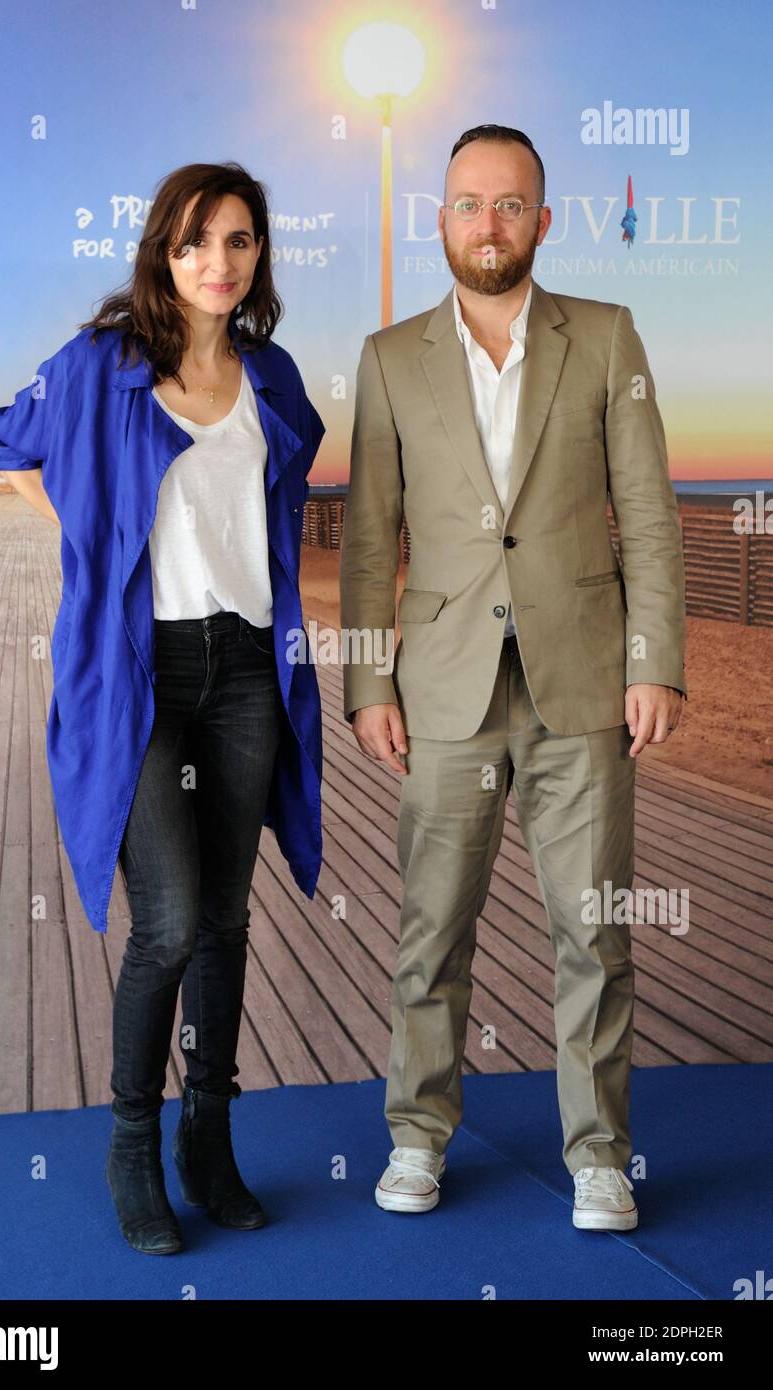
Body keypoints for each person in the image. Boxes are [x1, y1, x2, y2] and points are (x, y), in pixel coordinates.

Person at [339, 125, 688, 1232]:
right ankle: (415, 1134)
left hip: (580, 678)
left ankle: (597, 1153)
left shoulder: (605, 336)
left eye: (509, 204)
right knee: (429, 926)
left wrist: (653, 660)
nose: (486, 223)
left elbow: (644, 509)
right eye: (466, 203)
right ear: (437, 218)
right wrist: (366, 683)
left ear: (542, 219)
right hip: (440, 683)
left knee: (594, 929)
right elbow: (365, 538)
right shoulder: (390, 355)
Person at [0, 163, 325, 1255]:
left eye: (235, 240)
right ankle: (132, 1142)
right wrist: (89, 539)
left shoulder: (269, 376)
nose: (214, 262)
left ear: (258, 252)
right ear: (160, 254)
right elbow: (4, 446)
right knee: (170, 918)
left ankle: (206, 1138)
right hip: (142, 670)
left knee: (226, 919)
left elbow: (281, 503)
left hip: (244, 670)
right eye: (191, 243)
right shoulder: (102, 364)